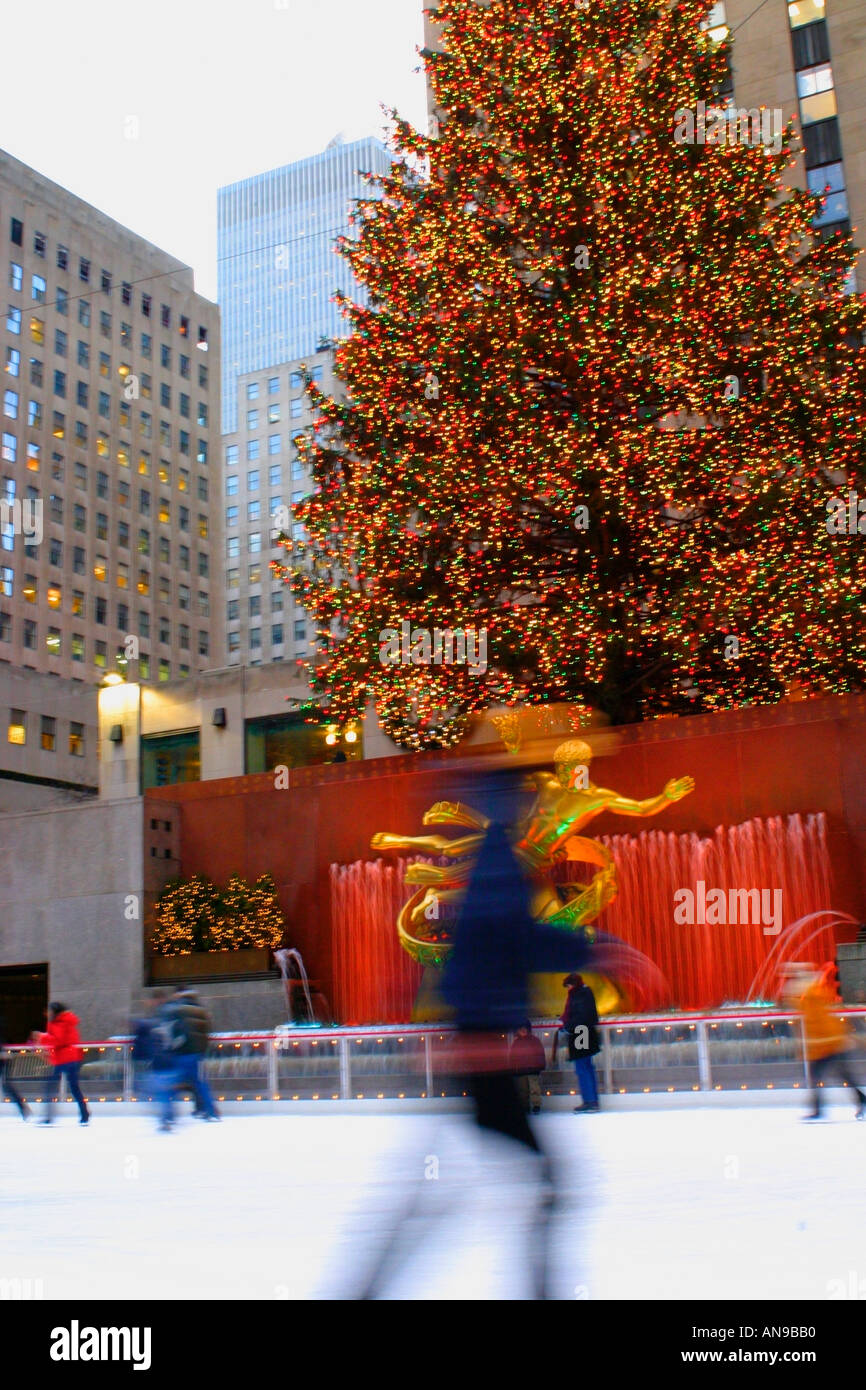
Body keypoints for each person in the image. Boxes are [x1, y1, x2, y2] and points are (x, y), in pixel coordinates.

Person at [793, 966, 866, 1121]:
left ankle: (819, 1110)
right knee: (843, 1075)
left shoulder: (811, 998)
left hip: (829, 1045)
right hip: (829, 1044)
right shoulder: (812, 997)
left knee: (822, 1076)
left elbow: (818, 1024)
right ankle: (860, 1100)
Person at [153, 987, 219, 1130]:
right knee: (199, 1083)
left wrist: (172, 1048)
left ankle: (167, 1117)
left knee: (171, 1084)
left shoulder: (177, 1009)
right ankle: (211, 1111)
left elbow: (175, 1032)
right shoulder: (201, 1009)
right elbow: (207, 1030)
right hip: (197, 1053)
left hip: (182, 1053)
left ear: (178, 994)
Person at [33, 1002, 89, 1126]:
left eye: (49, 1011)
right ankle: (84, 1113)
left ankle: (49, 1116)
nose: (47, 1013)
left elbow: (58, 1040)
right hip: (70, 1058)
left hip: (64, 1059)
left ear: (55, 1011)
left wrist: (42, 1037)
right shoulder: (65, 1022)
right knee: (74, 1087)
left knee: (51, 1088)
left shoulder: (59, 1023)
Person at [561, 973, 602, 1113]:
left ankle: (589, 1101)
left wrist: (567, 1026)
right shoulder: (584, 992)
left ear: (574, 984)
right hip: (583, 1032)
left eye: (569, 986)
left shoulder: (579, 994)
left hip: (581, 1034)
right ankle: (592, 1101)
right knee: (586, 1067)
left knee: (582, 1068)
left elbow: (580, 1016)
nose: (568, 989)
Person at [510, 1021, 546, 1114]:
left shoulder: (534, 1040)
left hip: (533, 1070)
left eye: (524, 1029)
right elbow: (512, 1057)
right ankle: (525, 1106)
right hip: (521, 1071)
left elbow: (540, 1054)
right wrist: (513, 1069)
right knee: (523, 1090)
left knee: (534, 1089)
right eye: (520, 1029)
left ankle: (536, 1105)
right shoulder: (516, 1042)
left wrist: (541, 1065)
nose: (523, 1031)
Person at [0, 1011, 30, 1120]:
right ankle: (23, 1107)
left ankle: (23, 1107)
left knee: (6, 1086)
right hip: (4, 1056)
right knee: (6, 1085)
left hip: (3, 1057)